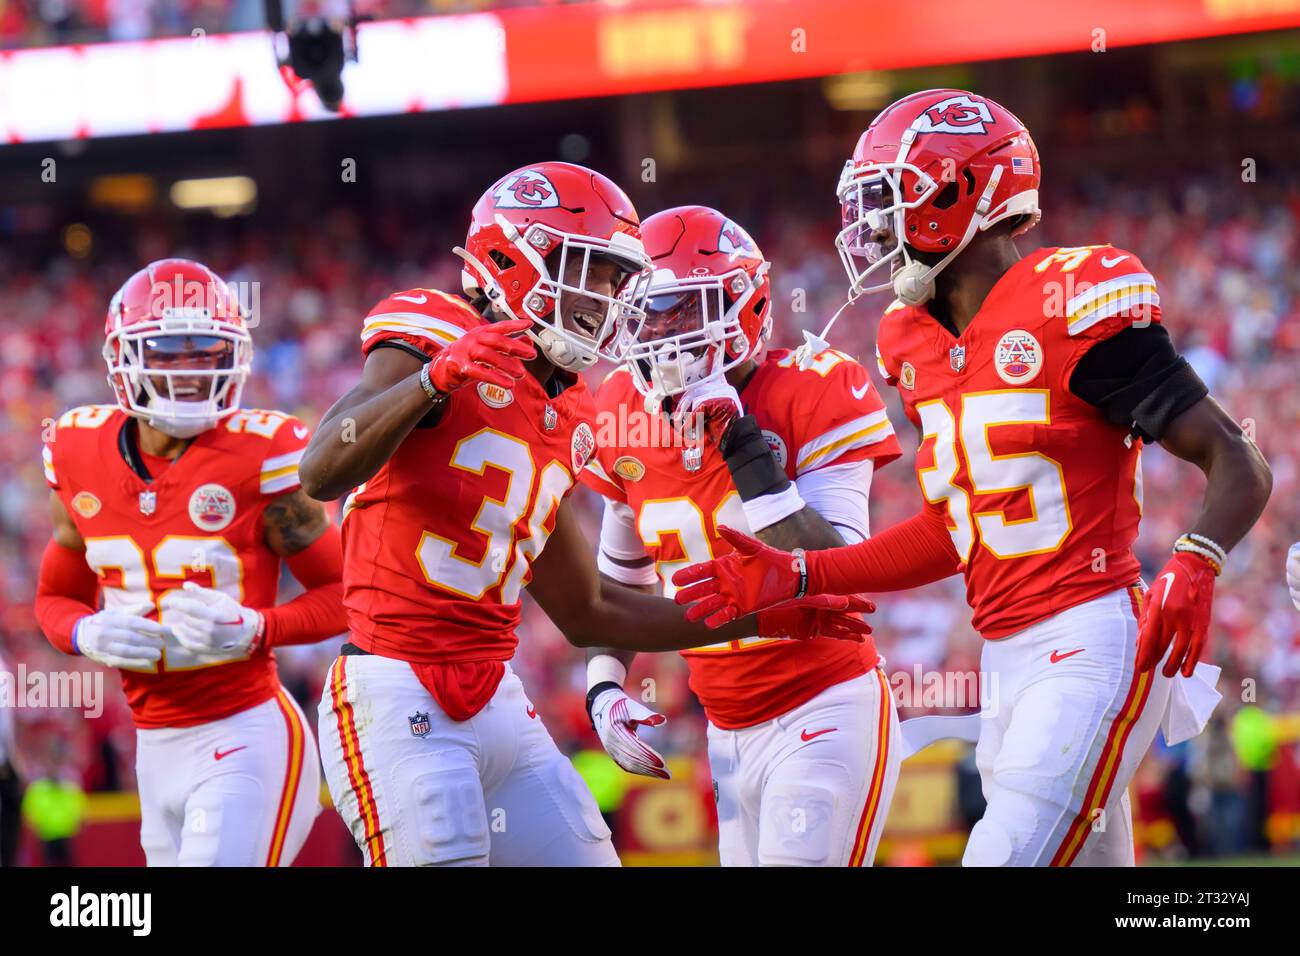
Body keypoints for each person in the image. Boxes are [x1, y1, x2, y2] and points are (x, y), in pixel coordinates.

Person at [672, 89, 1271, 867]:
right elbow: (956, 530)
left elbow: (1236, 458)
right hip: (1006, 655)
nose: (870, 229)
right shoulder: (908, 339)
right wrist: (801, 572)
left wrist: (1197, 556)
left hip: (1093, 636)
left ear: (960, 193)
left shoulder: (1071, 301)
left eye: (888, 200)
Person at [298, 162, 871, 867]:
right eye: (591, 270)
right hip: (396, 692)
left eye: (612, 277)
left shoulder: (568, 405)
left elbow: (592, 609)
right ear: (515, 256)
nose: (605, 295)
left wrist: (770, 613)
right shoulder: (435, 327)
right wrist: (432, 377)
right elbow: (322, 468)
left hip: (495, 693)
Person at [580, 205, 902, 865]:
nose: (663, 333)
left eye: (684, 311)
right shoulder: (619, 406)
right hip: (722, 727)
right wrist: (604, 681)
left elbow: (840, 570)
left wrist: (740, 442)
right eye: (649, 312)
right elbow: (621, 578)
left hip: (825, 704)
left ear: (745, 306)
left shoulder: (813, 385)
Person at [35, 259, 346, 866]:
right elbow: (53, 598)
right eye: (167, 352)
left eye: (205, 351)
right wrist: (83, 630)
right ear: (122, 356)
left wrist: (261, 627)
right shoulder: (76, 448)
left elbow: (347, 592)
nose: (188, 370)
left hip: (246, 732)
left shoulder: (265, 452)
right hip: (152, 748)